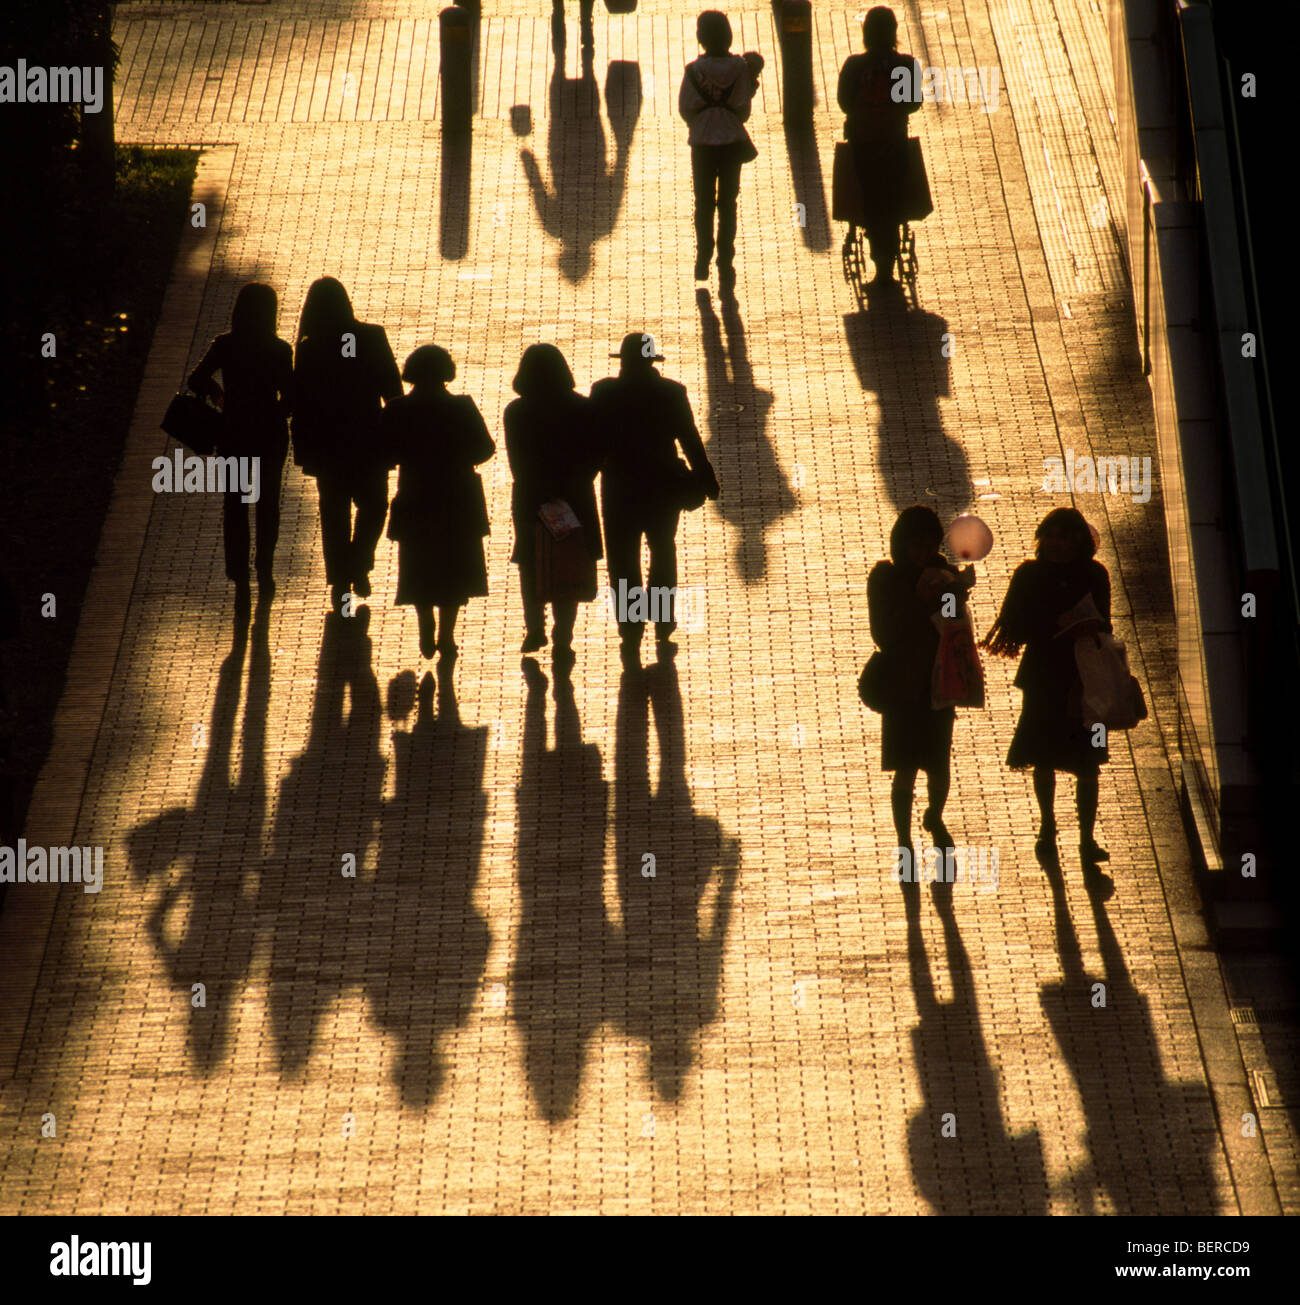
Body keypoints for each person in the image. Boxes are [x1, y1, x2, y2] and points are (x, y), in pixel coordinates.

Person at [982, 508, 1114, 893]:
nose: (1058, 544)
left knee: (1090, 762)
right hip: (1043, 677)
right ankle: (1047, 823)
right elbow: (1013, 627)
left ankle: (1087, 837)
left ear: (1080, 541)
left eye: (1066, 537)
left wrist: (1086, 625)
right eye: (1051, 536)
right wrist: (1053, 623)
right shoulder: (1028, 574)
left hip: (1086, 678)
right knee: (1042, 758)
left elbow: (1105, 622)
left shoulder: (1095, 575)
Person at [591, 332, 720, 671]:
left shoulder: (604, 392)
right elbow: (690, 438)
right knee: (663, 550)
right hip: (662, 485)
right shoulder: (671, 393)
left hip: (618, 487)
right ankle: (662, 620)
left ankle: (632, 627)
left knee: (623, 559)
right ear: (652, 361)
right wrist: (706, 479)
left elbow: (591, 441)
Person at [868, 505, 975, 879]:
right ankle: (903, 839)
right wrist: (931, 596)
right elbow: (885, 631)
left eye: (929, 543)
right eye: (915, 544)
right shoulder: (886, 578)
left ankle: (934, 815)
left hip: (938, 680)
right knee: (905, 768)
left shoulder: (943, 572)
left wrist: (955, 592)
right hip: (902, 685)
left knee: (938, 761)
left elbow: (951, 622)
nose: (922, 551)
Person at [292, 277, 402, 613]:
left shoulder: (309, 347)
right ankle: (360, 560)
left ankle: (342, 578)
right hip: (369, 438)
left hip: (328, 445)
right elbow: (392, 388)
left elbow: (302, 401)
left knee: (334, 513)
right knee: (374, 506)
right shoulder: (371, 336)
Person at [381, 346, 495, 662]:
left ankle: (425, 622)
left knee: (418, 563)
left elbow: (384, 452)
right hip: (459, 496)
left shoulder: (397, 408)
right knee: (455, 567)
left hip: (416, 493)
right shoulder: (461, 406)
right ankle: (446, 635)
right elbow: (485, 448)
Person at [187, 282, 293, 605]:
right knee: (267, 504)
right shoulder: (279, 349)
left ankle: (238, 572)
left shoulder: (224, 345)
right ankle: (265, 566)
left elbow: (196, 378)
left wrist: (218, 395)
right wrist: (276, 411)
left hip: (233, 432)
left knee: (234, 504)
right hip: (269, 434)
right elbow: (290, 395)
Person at [504, 344, 604, 677]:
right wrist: (573, 484)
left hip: (531, 496)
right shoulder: (584, 408)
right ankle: (563, 635)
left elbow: (516, 459)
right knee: (569, 561)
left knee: (532, 560)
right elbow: (594, 454)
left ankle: (535, 625)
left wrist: (540, 489)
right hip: (575, 496)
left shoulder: (516, 411)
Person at [836, 6, 923, 280]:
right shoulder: (906, 64)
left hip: (863, 142)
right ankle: (891, 250)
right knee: (893, 195)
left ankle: (880, 257)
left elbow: (844, 102)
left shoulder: (854, 65)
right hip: (894, 139)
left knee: (871, 196)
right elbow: (913, 103)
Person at [679, 11, 757, 293]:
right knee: (728, 201)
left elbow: (685, 108)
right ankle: (726, 256)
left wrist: (702, 121)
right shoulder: (740, 69)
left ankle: (703, 254)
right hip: (731, 142)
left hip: (701, 143)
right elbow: (743, 109)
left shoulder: (693, 71)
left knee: (703, 201)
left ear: (701, 38)